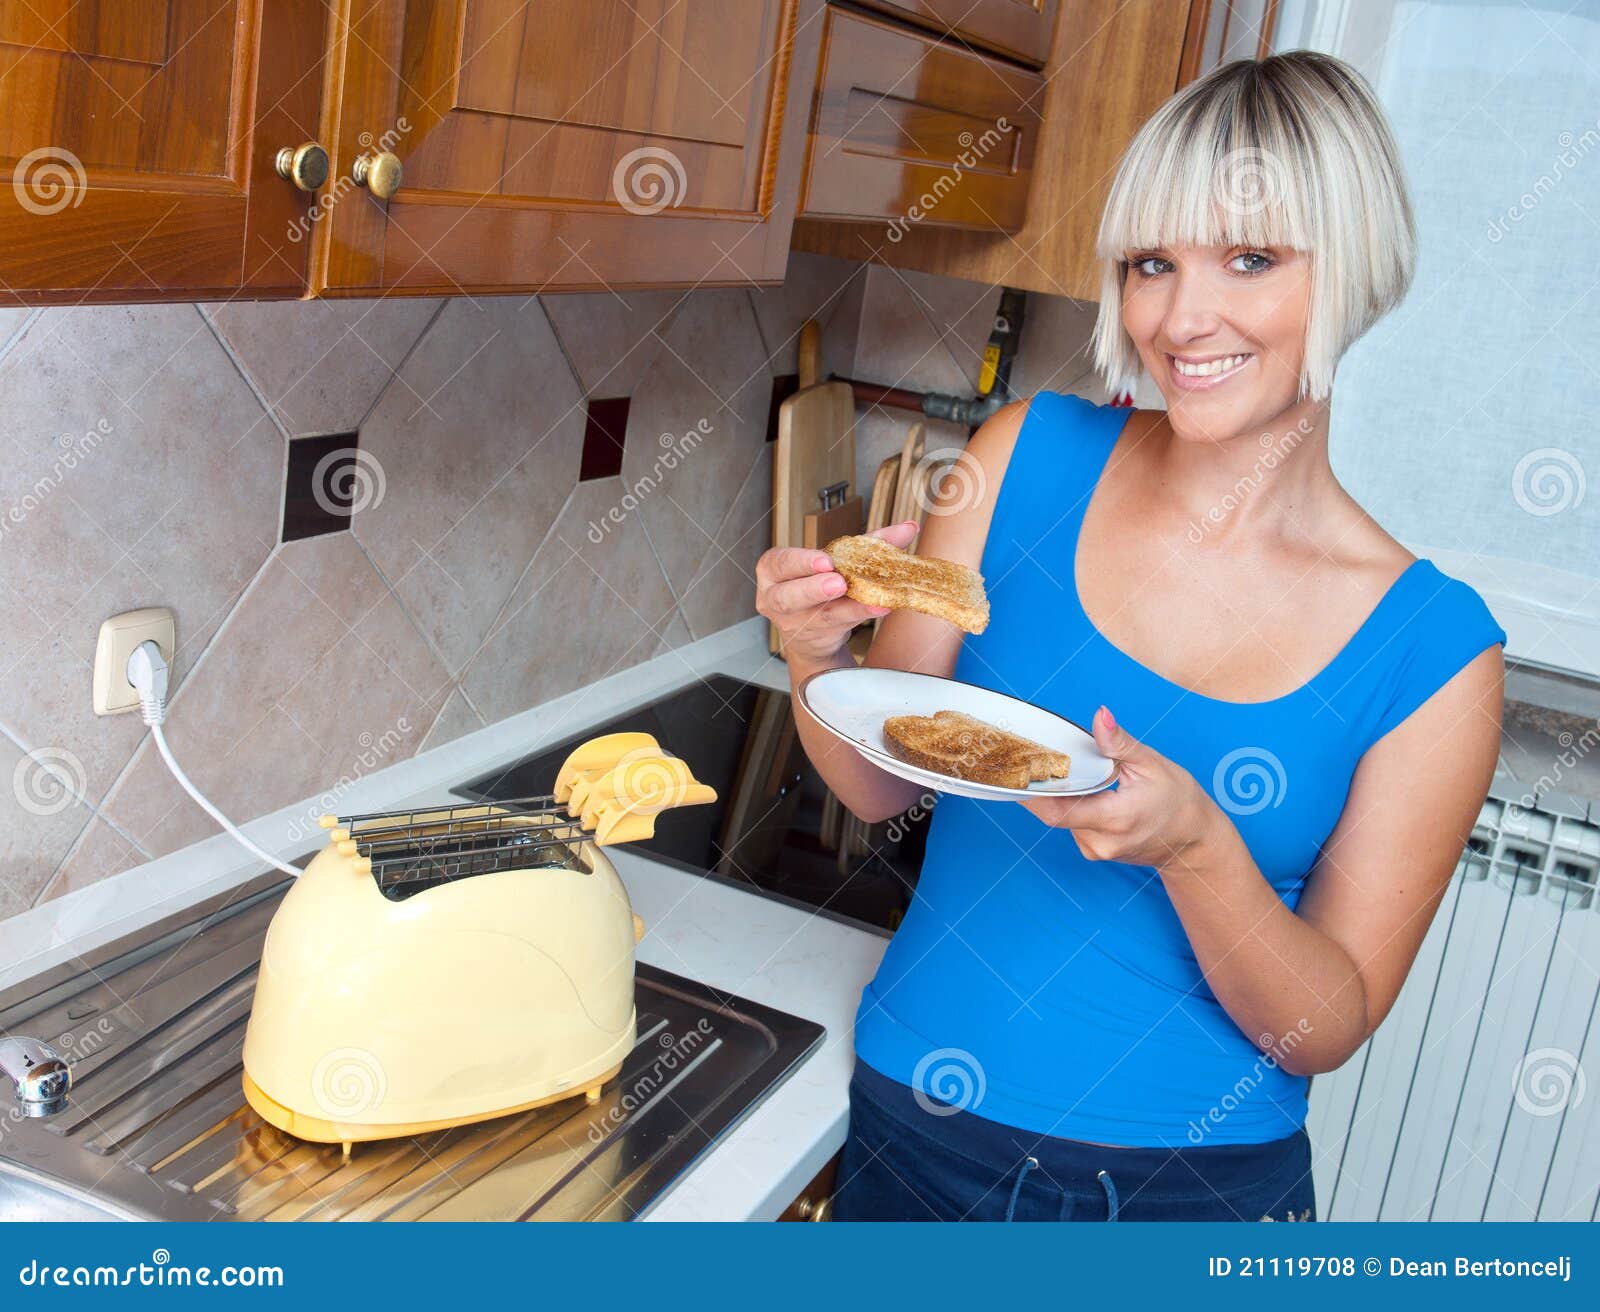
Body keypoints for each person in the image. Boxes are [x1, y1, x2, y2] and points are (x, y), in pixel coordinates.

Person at [755, 49, 1505, 1222]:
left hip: (1181, 1201)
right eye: (1152, 262)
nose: (1178, 317)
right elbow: (872, 782)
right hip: (911, 1128)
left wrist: (1199, 849)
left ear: (1351, 274)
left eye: (1250, 259)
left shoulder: (1435, 653)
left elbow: (1321, 1027)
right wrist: (812, 654)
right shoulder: (1018, 461)